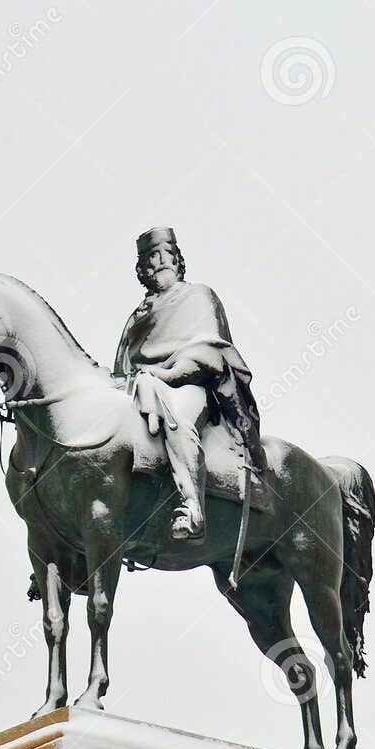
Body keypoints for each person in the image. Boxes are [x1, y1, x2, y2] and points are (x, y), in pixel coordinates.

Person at [114, 227, 264, 540]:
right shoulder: (137, 315)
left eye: (165, 256)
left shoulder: (199, 295)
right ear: (142, 270)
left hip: (189, 384)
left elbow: (208, 350)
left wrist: (166, 375)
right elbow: (123, 365)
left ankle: (192, 508)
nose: (159, 263)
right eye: (150, 259)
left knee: (177, 419)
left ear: (178, 261)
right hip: (139, 388)